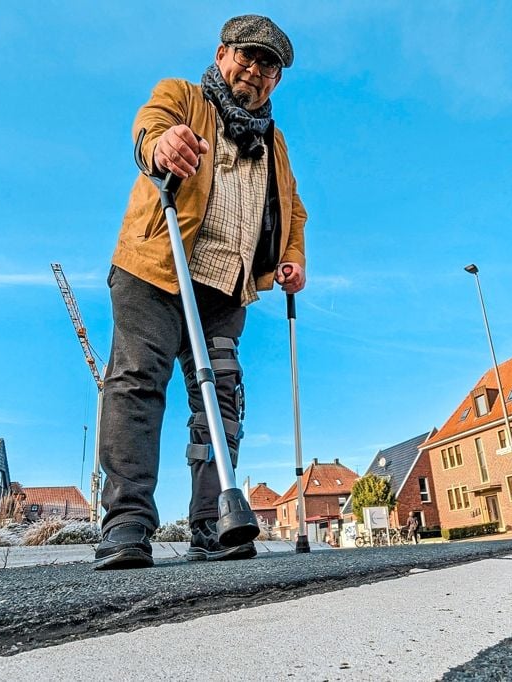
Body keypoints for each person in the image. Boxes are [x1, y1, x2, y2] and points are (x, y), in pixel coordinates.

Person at [94, 15, 307, 570]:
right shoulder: (182, 98)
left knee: (221, 400)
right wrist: (163, 145)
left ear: (276, 81)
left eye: (269, 65)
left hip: (224, 290)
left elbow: (294, 211)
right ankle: (127, 525)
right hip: (156, 271)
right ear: (222, 54)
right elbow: (149, 128)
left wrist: (291, 258)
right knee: (138, 382)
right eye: (247, 57)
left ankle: (214, 523)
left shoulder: (275, 143)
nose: (255, 71)